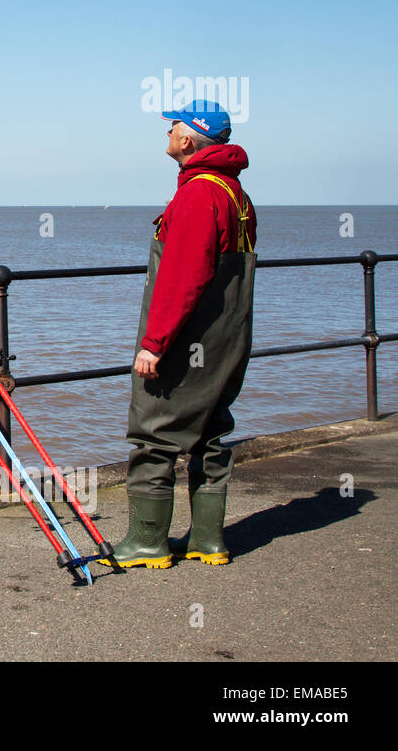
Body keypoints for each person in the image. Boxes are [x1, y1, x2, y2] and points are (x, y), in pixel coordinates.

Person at [106, 99, 257, 569]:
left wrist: (154, 344)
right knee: (210, 431)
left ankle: (147, 543)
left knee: (155, 433)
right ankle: (209, 541)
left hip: (187, 340)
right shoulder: (234, 193)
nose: (166, 134)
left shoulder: (197, 195)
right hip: (227, 337)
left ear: (188, 139)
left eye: (172, 127)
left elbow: (183, 275)